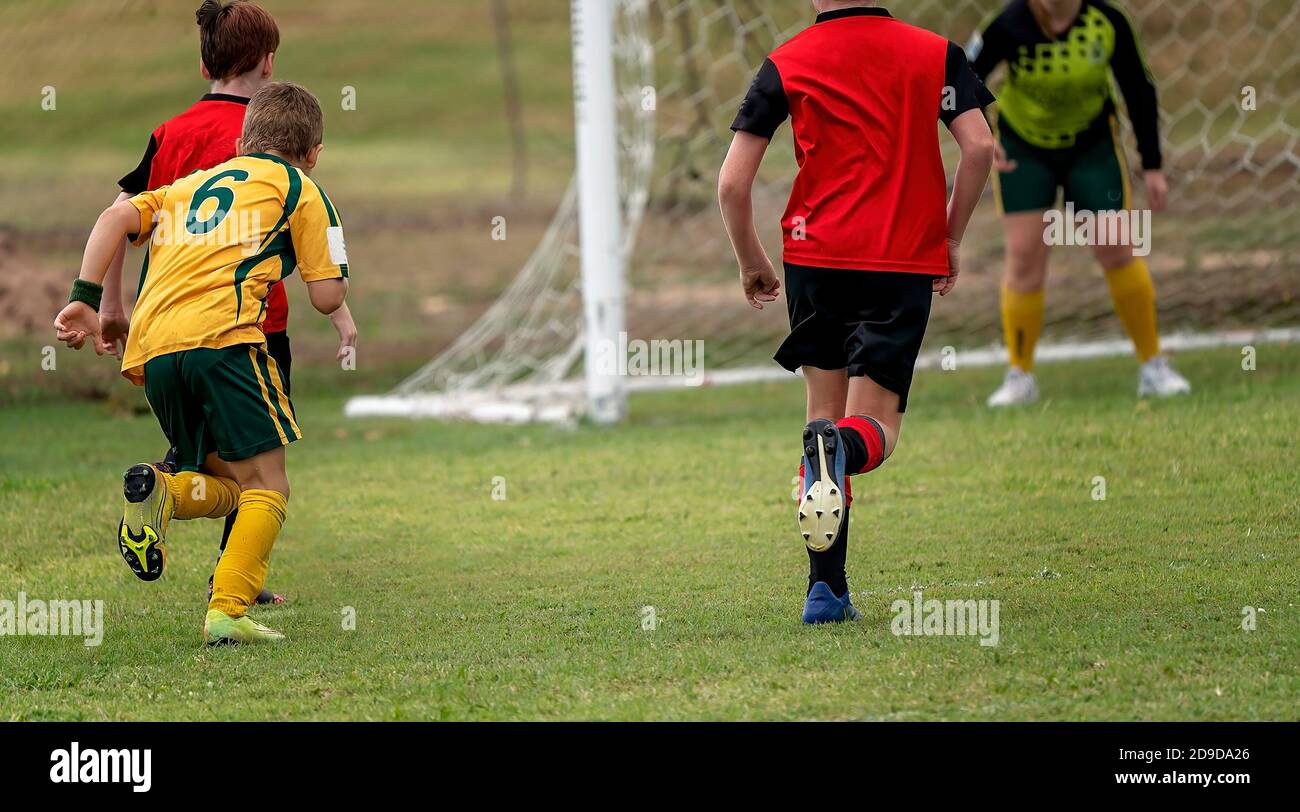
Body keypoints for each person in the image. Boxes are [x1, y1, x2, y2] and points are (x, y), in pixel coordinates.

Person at [719, 2, 996, 623]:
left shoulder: (786, 63)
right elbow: (977, 147)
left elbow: (733, 183)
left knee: (821, 416)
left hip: (814, 259)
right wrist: (949, 239)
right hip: (897, 261)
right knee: (874, 432)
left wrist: (751, 260)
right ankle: (841, 448)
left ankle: (826, 593)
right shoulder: (935, 53)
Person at [54, 82, 351, 644]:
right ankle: (228, 610)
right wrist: (338, 285)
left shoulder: (186, 186)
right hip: (225, 341)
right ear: (314, 154)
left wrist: (84, 298)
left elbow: (113, 218)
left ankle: (162, 494)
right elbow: (326, 296)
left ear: (241, 141)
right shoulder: (302, 188)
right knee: (270, 485)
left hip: (156, 351)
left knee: (229, 484)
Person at [99, 0, 358, 603]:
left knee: (213, 462)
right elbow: (311, 243)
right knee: (260, 469)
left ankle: (164, 498)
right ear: (270, 63)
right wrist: (342, 313)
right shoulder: (276, 131)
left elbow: (116, 215)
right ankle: (234, 584)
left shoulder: (169, 134)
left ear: (202, 63)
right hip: (252, 325)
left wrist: (109, 303)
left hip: (167, 326)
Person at [970, 0, 1190, 406]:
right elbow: (965, 79)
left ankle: (1153, 366)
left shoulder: (1108, 23)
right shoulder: (1010, 23)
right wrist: (983, 134)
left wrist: (1153, 164)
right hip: (1025, 149)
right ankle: (1019, 376)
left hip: (1092, 148)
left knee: (1117, 248)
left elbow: (1137, 89)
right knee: (1023, 257)